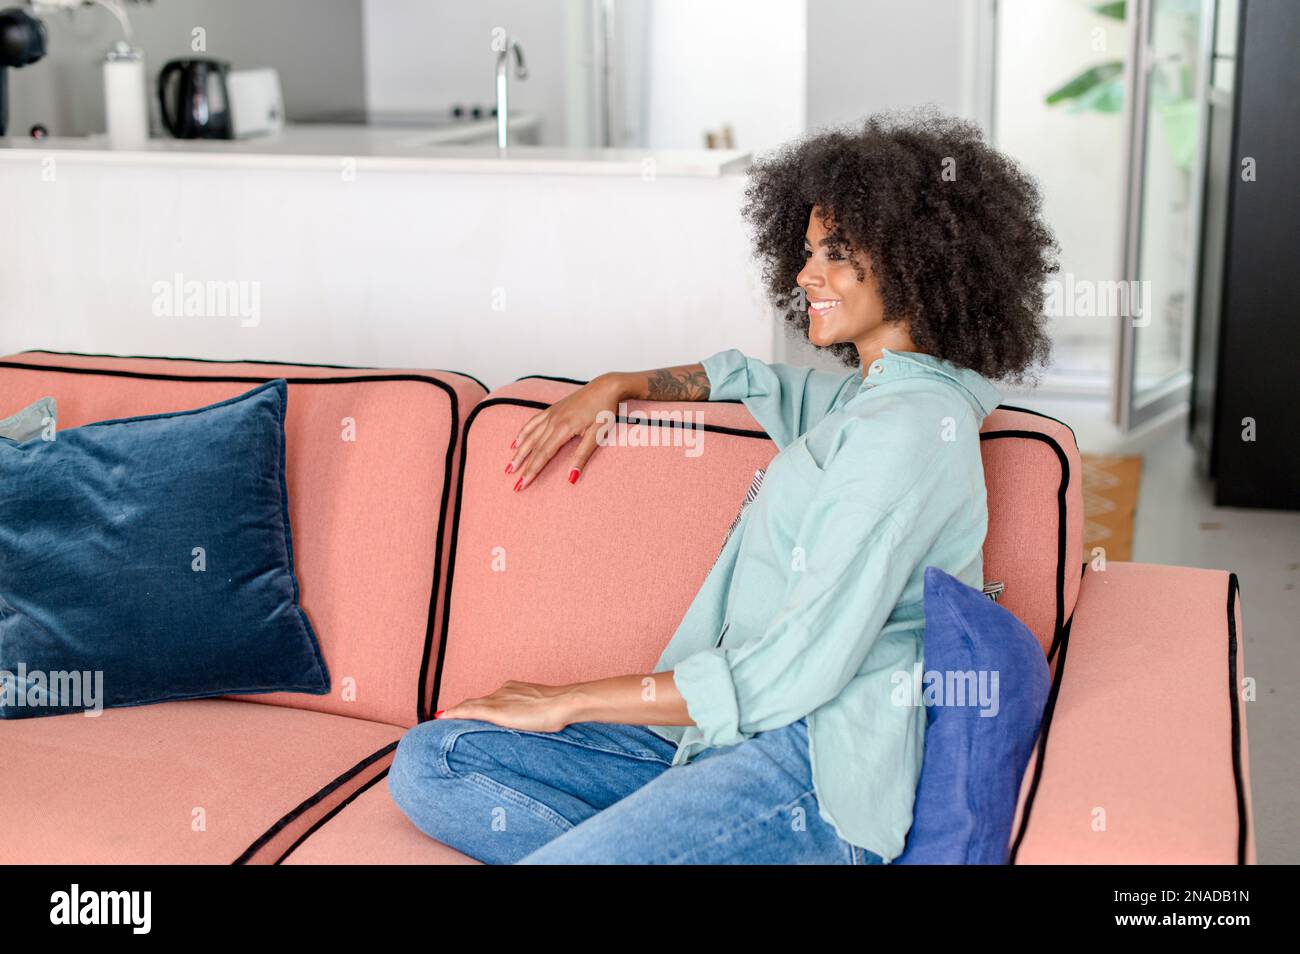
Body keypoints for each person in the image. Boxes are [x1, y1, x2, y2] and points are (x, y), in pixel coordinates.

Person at [387, 108, 1058, 864]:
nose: (807, 277)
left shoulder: (910, 432)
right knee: (434, 762)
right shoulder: (867, 400)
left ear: (917, 262)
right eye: (806, 252)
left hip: (810, 769)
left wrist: (567, 698)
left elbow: (796, 670)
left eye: (836, 254)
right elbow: (752, 379)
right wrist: (623, 382)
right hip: (715, 744)